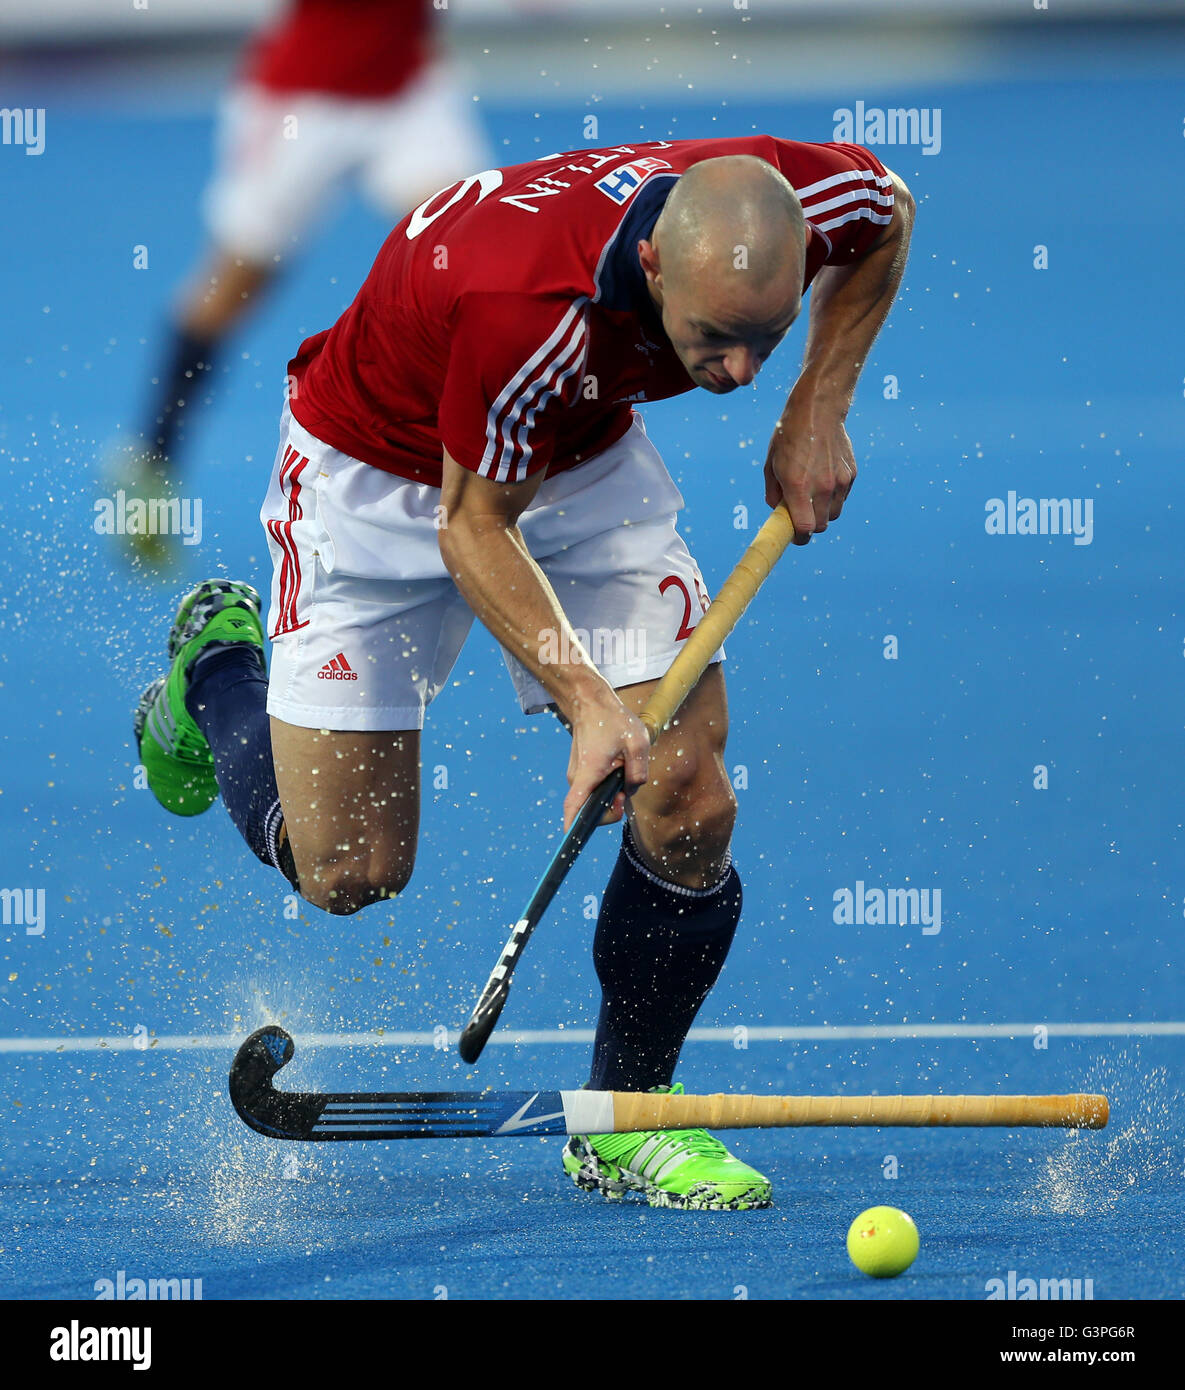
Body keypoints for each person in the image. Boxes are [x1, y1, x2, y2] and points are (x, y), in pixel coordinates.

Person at [135, 135, 914, 1209]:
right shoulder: (528, 304)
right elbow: (472, 528)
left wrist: (817, 401)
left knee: (687, 795)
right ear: (651, 271)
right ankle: (217, 673)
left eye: (764, 342)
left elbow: (889, 213)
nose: (739, 376)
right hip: (381, 475)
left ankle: (629, 1118)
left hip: (575, 455)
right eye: (716, 343)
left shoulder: (793, 198)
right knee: (351, 870)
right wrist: (589, 701)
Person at [116, 0, 487, 555]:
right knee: (232, 290)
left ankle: (500, 473)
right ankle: (153, 458)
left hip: (407, 90)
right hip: (301, 98)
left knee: (468, 262)